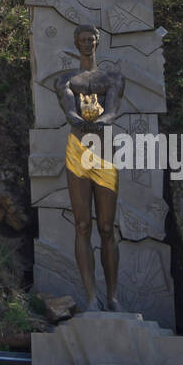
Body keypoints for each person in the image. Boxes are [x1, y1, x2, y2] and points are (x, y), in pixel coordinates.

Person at [54, 23, 124, 312]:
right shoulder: (66, 79)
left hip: (104, 154)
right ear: (76, 43)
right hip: (78, 152)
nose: (86, 43)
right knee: (82, 225)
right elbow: (69, 107)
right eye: (82, 39)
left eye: (91, 39)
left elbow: (113, 110)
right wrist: (76, 117)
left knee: (106, 227)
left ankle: (113, 296)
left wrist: (101, 120)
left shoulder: (112, 78)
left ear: (97, 42)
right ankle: (92, 297)